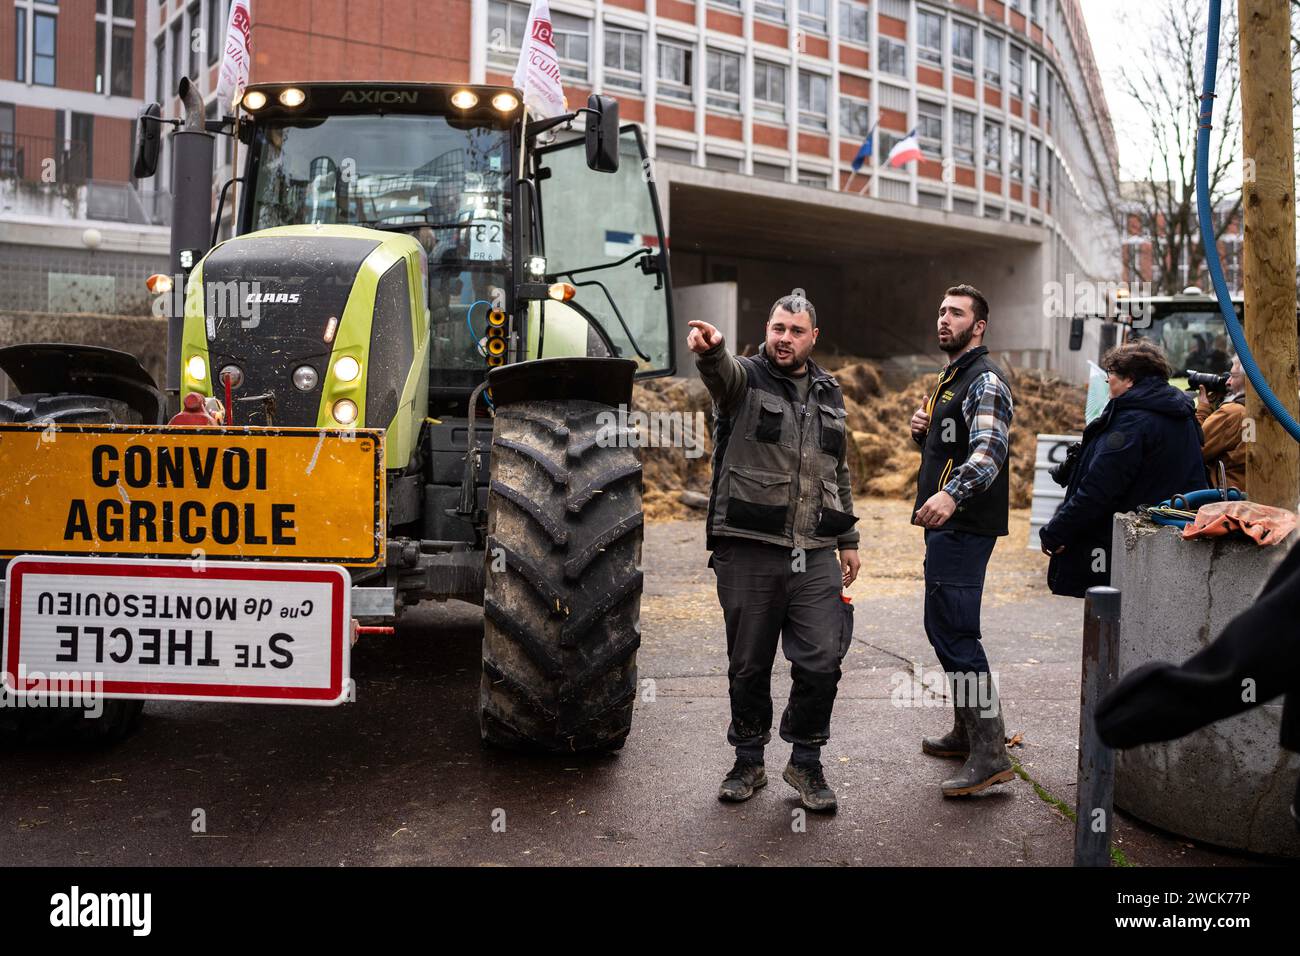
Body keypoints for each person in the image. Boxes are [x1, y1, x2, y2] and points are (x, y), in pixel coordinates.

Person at [689, 289, 861, 813]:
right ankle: (747, 760)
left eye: (795, 331)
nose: (784, 339)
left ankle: (806, 762)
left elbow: (839, 469)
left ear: (814, 337)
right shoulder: (743, 379)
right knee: (749, 663)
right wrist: (711, 352)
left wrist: (849, 539)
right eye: (777, 329)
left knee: (823, 659)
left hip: (814, 551)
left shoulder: (830, 392)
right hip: (749, 546)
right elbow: (721, 375)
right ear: (767, 330)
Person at [909, 283, 1016, 797]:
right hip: (948, 525)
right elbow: (957, 442)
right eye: (941, 309)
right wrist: (923, 433)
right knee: (943, 627)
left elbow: (990, 451)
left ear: (979, 326)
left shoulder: (986, 378)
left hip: (964, 524)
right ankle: (966, 731)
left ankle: (990, 752)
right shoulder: (952, 376)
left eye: (955, 313)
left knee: (955, 633)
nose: (943, 318)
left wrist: (951, 495)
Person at [1040, 340, 1207, 597]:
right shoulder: (1181, 413)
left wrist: (1056, 532)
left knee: (1109, 620)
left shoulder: (1130, 422)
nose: (1107, 382)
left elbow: (1099, 488)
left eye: (1112, 375)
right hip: (1172, 540)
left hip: (1124, 545)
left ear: (1129, 380)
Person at [1196, 354, 1246, 490]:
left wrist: (1203, 409)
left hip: (1229, 497)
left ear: (1250, 380)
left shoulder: (1232, 413)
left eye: (1234, 376)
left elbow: (1195, 448)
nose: (1227, 382)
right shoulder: (1277, 412)